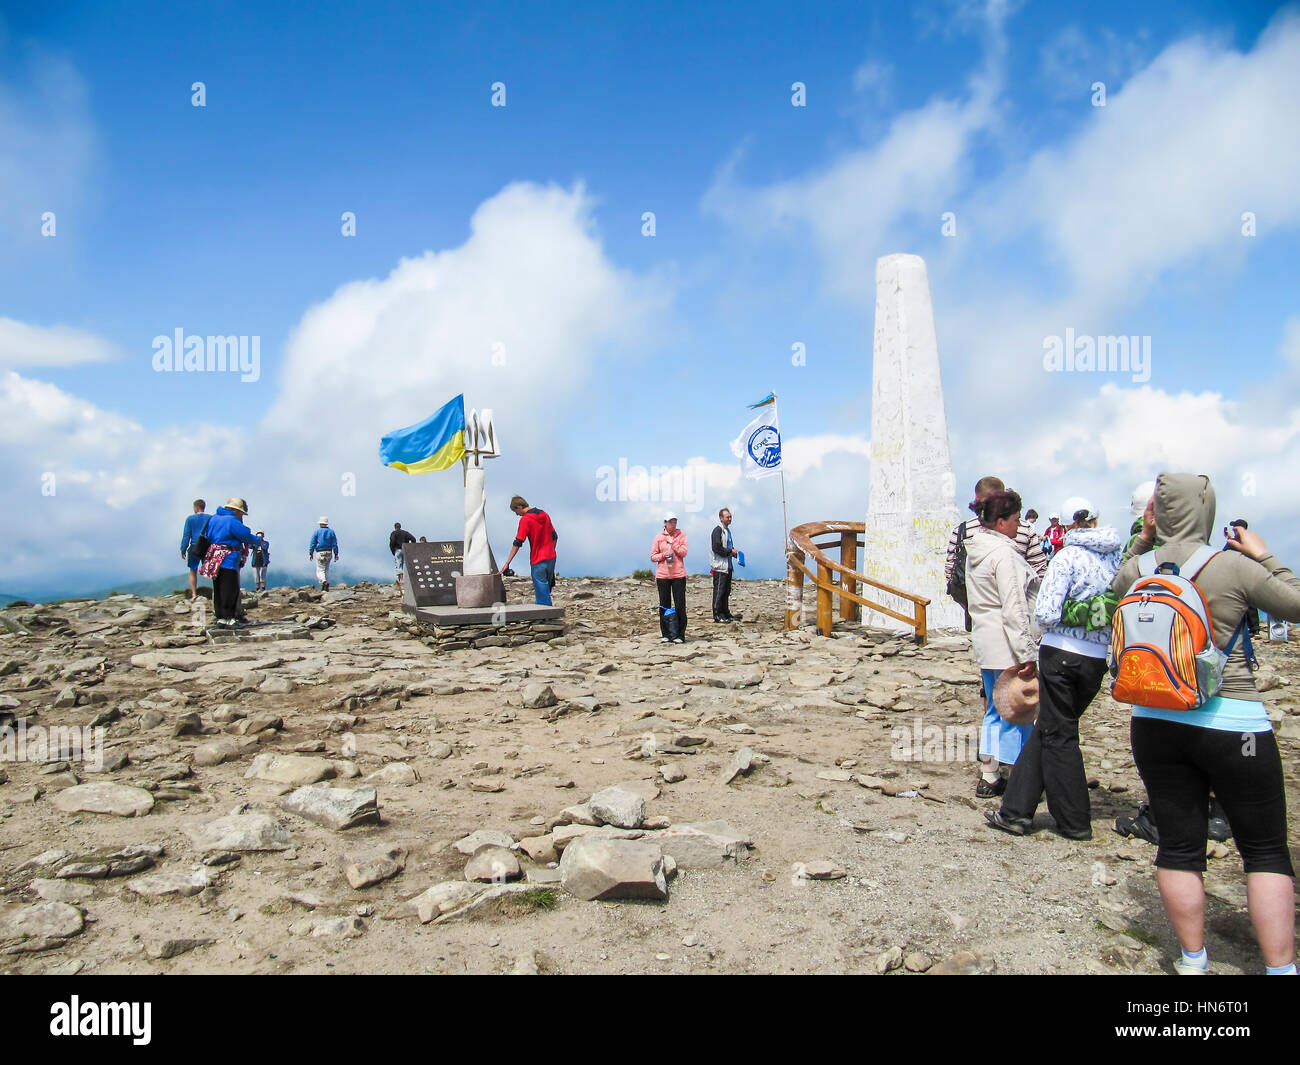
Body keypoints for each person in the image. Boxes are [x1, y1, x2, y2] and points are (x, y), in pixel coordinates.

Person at [1113, 473, 1300, 976]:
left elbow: (1111, 597)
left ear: (1158, 512)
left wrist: (1146, 538)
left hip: (1154, 720)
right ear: (1207, 511)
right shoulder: (1233, 567)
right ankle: (1281, 970)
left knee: (1178, 846)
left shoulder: (1136, 569)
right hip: (1233, 722)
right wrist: (1264, 555)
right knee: (1263, 852)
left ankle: (1192, 962)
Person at [986, 499, 1120, 839]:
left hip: (1061, 653)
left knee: (1059, 735)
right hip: (1096, 658)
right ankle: (1015, 812)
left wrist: (1065, 618)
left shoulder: (1066, 556)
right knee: (1049, 728)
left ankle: (1074, 821)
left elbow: (1046, 612)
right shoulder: (1116, 558)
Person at [964, 488, 1039, 797]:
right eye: (1016, 519)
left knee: (995, 710)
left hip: (985, 640)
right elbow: (1014, 607)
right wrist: (1027, 652)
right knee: (1018, 711)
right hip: (1007, 643)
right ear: (1001, 521)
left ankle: (990, 773)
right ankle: (1019, 775)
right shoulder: (1003, 554)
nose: (1019, 525)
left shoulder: (976, 551)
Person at [946, 476, 1048, 632]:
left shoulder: (962, 531)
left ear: (976, 499)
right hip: (1021, 613)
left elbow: (951, 574)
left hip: (981, 618)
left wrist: (971, 605)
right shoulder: (1024, 529)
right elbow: (1040, 572)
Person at [202, 498, 264, 627]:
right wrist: (258, 540)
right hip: (228, 559)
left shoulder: (214, 518)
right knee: (229, 588)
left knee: (218, 587)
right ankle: (228, 617)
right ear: (236, 510)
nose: (241, 515)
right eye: (241, 512)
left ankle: (219, 615)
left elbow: (208, 534)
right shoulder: (232, 521)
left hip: (215, 558)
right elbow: (244, 535)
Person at [502, 496, 558, 606]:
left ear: (519, 507)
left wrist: (507, 563)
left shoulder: (526, 520)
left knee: (541, 590)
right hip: (551, 557)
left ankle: (546, 615)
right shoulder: (544, 514)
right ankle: (548, 614)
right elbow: (555, 536)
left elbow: (518, 542)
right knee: (547, 587)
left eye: (515, 511)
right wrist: (551, 550)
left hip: (538, 559)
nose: (517, 514)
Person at [651, 512, 689, 643]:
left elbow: (684, 552)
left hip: (678, 575)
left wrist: (674, 543)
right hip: (663, 576)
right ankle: (666, 634)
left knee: (680, 605)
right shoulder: (658, 537)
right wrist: (663, 555)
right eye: (671, 521)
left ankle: (680, 635)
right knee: (664, 605)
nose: (673, 524)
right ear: (665, 523)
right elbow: (653, 556)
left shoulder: (681, 535)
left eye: (675, 521)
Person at [1228, 520, 1261, 636]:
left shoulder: (1243, 542)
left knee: (1249, 603)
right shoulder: (1249, 541)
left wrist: (1230, 542)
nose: (1233, 529)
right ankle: (1253, 629)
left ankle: (1254, 629)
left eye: (1235, 527)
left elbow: (1226, 554)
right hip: (1244, 573)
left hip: (1245, 573)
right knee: (1246, 602)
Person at [710, 507, 741, 623]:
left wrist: (734, 553)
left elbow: (728, 547)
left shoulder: (727, 531)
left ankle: (726, 612)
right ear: (721, 518)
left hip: (728, 566)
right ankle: (717, 614)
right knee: (719, 591)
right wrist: (730, 551)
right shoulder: (717, 530)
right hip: (719, 566)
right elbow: (716, 547)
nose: (730, 518)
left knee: (726, 591)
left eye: (730, 516)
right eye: (727, 517)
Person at [180, 499, 209, 600]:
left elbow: (186, 535)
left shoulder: (190, 519)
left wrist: (183, 549)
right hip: (207, 546)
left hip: (194, 546)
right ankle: (216, 593)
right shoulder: (210, 518)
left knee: (193, 570)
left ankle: (194, 594)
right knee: (212, 570)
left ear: (196, 507)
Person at [309, 517, 339, 591]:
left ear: (320, 523)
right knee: (326, 569)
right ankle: (325, 588)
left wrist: (311, 553)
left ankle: (323, 581)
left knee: (320, 569)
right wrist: (336, 553)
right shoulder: (331, 532)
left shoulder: (317, 532)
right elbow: (335, 544)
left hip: (320, 552)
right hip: (329, 552)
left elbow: (313, 543)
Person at [389, 522, 416, 588]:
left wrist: (393, 550)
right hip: (405, 549)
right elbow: (413, 539)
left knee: (398, 564)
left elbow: (392, 541)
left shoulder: (394, 533)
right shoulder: (405, 533)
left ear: (395, 527)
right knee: (404, 564)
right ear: (400, 526)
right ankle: (404, 579)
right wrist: (410, 547)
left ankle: (400, 579)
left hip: (398, 549)